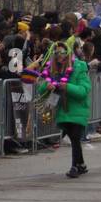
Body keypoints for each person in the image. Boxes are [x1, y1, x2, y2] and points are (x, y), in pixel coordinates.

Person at [35, 44, 91, 178]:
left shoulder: (79, 68)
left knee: (75, 136)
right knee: (73, 138)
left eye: (63, 55)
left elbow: (84, 91)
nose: (60, 58)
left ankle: (74, 167)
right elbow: (41, 89)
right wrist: (46, 87)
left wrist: (68, 87)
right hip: (63, 109)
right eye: (57, 55)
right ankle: (81, 164)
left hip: (78, 108)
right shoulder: (52, 70)